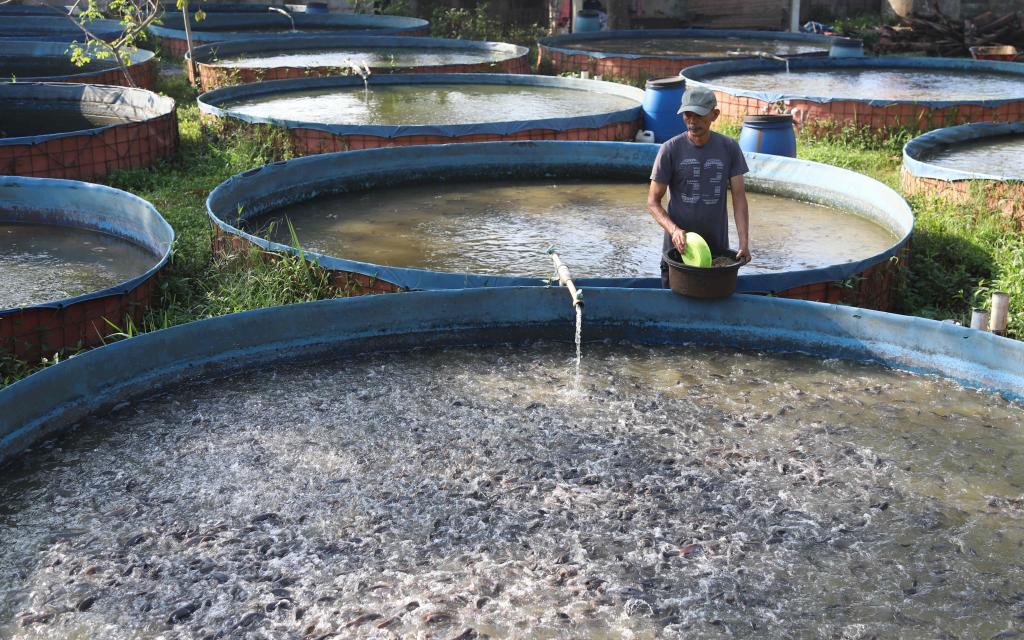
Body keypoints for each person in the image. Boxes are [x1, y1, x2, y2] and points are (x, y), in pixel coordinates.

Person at [647, 86, 751, 288]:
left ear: (715, 114)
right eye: (688, 115)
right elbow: (653, 202)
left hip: (717, 252)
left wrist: (744, 243)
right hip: (679, 252)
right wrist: (674, 230)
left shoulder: (729, 148)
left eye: (699, 115)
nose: (693, 121)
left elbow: (739, 198)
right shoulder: (670, 150)